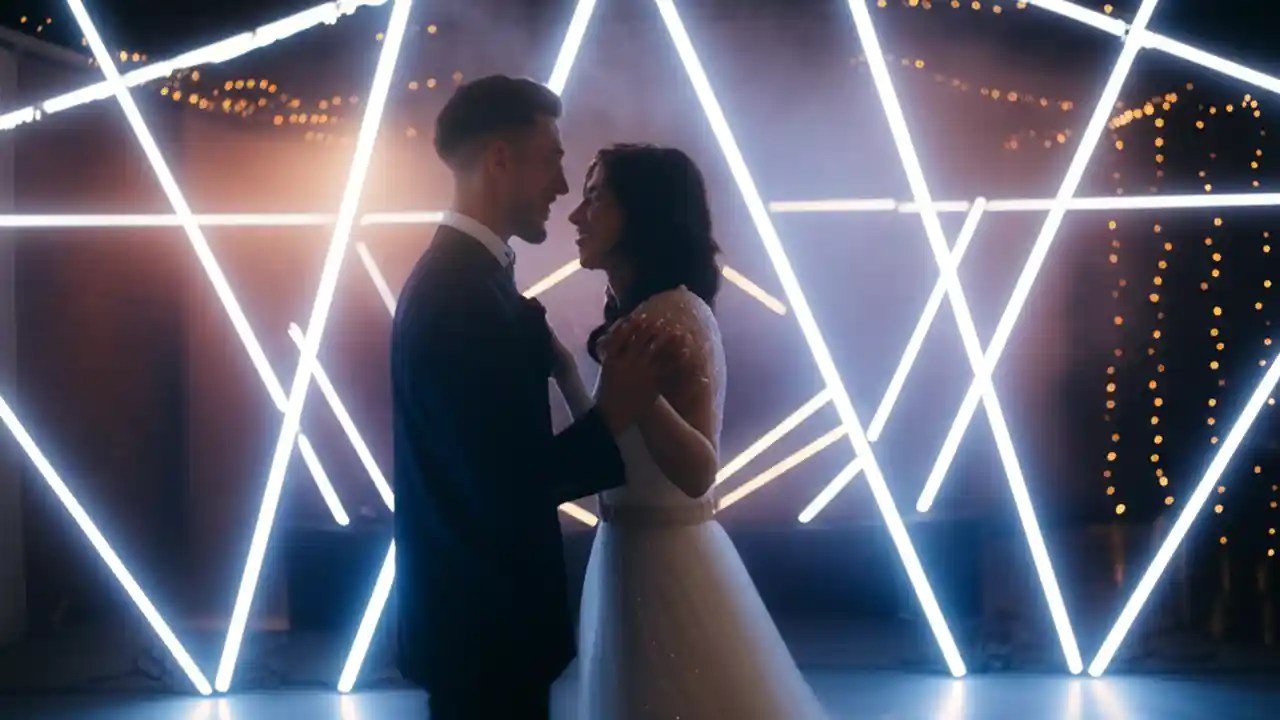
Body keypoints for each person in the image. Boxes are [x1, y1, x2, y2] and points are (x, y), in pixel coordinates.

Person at [391, 77, 673, 720]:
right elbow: (507, 484)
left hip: (476, 628)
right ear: (499, 159)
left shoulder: (462, 281)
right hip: (486, 633)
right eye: (552, 157)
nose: (561, 184)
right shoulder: (462, 295)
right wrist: (613, 413)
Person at [557, 144, 829, 719]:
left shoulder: (676, 316)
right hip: (623, 552)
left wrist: (640, 391)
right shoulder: (631, 315)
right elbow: (611, 427)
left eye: (595, 198)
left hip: (665, 562)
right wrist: (563, 365)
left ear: (643, 212)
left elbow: (698, 471)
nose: (576, 216)